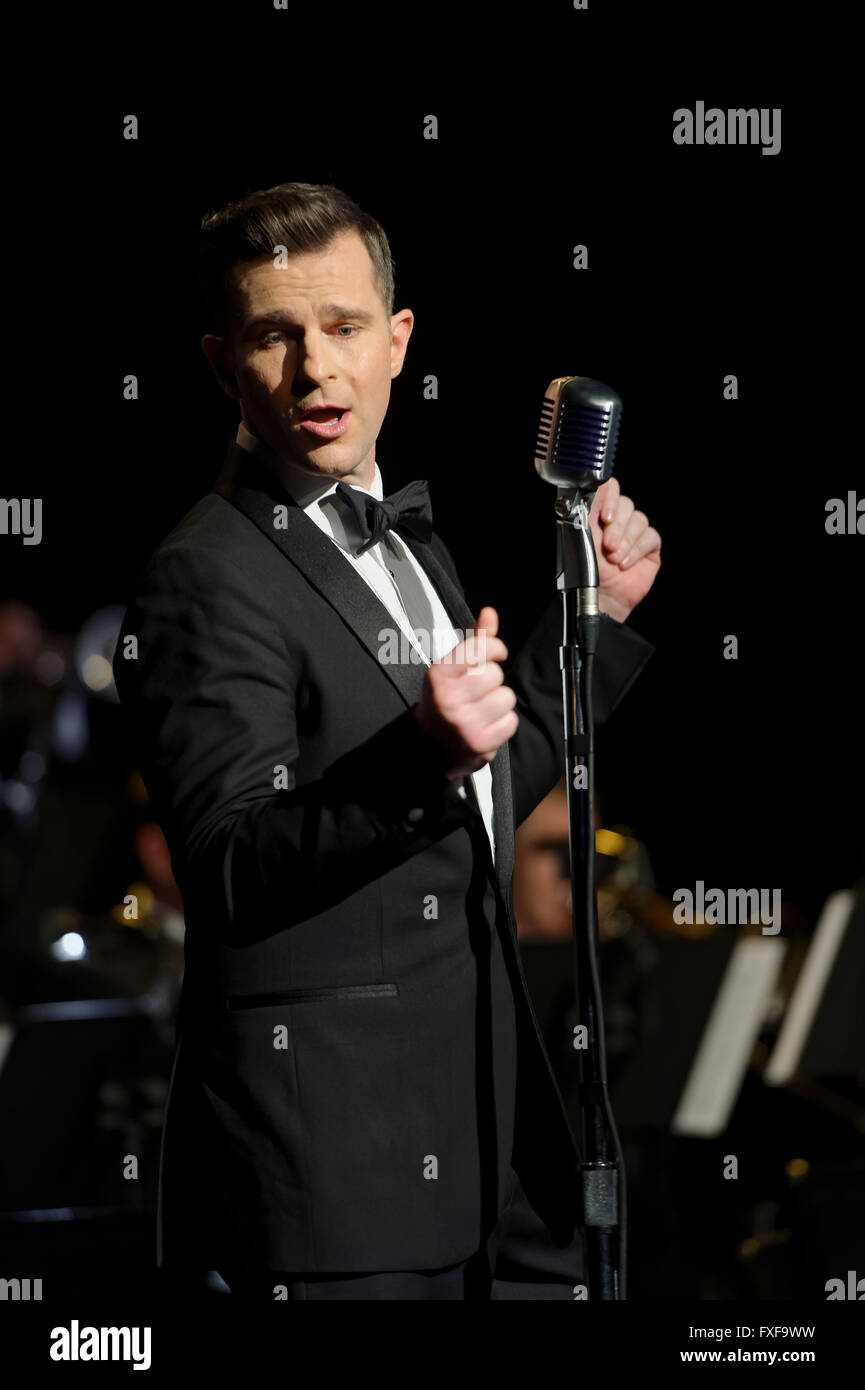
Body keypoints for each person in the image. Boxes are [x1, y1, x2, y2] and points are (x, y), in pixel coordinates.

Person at [112, 181, 662, 1300]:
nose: (317, 371)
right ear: (223, 361)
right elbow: (224, 866)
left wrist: (591, 624)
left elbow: (478, 790)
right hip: (328, 1197)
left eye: (345, 328)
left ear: (398, 340)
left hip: (473, 1156)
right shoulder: (203, 576)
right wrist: (420, 750)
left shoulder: (413, 541)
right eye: (275, 335)